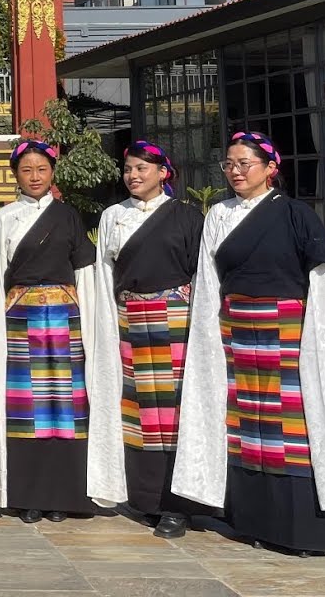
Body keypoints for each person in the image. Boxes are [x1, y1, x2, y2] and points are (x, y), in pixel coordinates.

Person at [173, 131, 325, 555]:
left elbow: (320, 281)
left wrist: (320, 337)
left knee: (289, 422)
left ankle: (298, 527)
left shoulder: (296, 214)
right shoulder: (218, 215)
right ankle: (249, 517)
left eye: (245, 164)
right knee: (245, 422)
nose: (235, 172)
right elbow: (208, 280)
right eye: (229, 164)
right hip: (235, 331)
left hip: (286, 332)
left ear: (271, 168)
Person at [88, 140, 206, 539]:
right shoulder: (112, 217)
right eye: (128, 169)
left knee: (172, 413)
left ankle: (177, 505)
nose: (133, 176)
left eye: (142, 168)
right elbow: (104, 274)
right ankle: (142, 498)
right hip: (128, 321)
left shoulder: (188, 217)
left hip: (175, 320)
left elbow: (201, 273)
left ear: (163, 173)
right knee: (137, 411)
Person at [0, 140, 99, 524]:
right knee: (24, 408)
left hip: (65, 321)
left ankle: (64, 495)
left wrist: (91, 324)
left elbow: (85, 274)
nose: (35, 177)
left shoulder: (68, 217)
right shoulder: (4, 218)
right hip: (18, 320)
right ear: (15, 175)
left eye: (42, 170)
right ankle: (28, 495)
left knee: (65, 409)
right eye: (27, 170)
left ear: (53, 174)